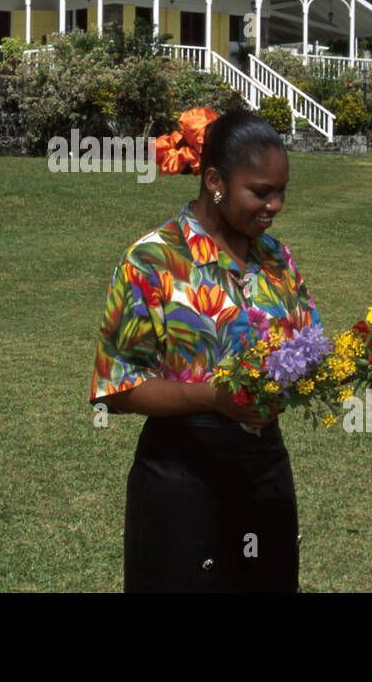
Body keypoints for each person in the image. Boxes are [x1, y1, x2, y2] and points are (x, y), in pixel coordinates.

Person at [89, 110, 321, 592]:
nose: (275, 205)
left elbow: (310, 343)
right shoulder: (152, 260)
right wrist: (213, 398)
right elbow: (118, 385)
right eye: (261, 191)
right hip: (181, 481)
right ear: (214, 181)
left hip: (265, 475)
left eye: (281, 191)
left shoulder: (276, 258)